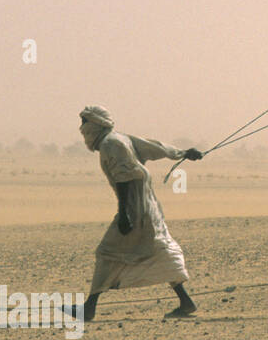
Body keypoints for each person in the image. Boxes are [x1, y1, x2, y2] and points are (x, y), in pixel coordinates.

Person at [72, 106, 203, 321]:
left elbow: (125, 178)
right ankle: (186, 302)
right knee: (159, 249)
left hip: (135, 207)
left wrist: (124, 214)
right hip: (147, 205)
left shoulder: (110, 144)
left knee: (107, 252)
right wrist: (183, 153)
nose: (82, 128)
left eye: (84, 122)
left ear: (95, 123)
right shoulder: (118, 138)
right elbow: (154, 147)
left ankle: (88, 308)